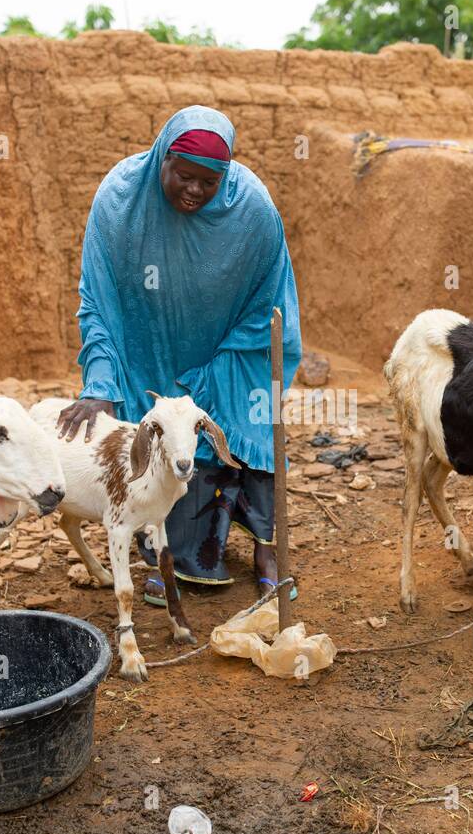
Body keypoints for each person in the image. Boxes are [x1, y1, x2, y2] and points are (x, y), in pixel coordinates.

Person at [57, 105, 302, 605]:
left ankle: (267, 548)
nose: (194, 190)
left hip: (229, 353)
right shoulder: (121, 200)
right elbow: (97, 303)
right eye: (183, 176)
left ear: (225, 178)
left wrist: (211, 379)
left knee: (249, 412)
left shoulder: (252, 212)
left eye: (208, 182)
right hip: (151, 361)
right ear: (160, 159)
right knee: (177, 516)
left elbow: (270, 308)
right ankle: (182, 545)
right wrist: (101, 385)